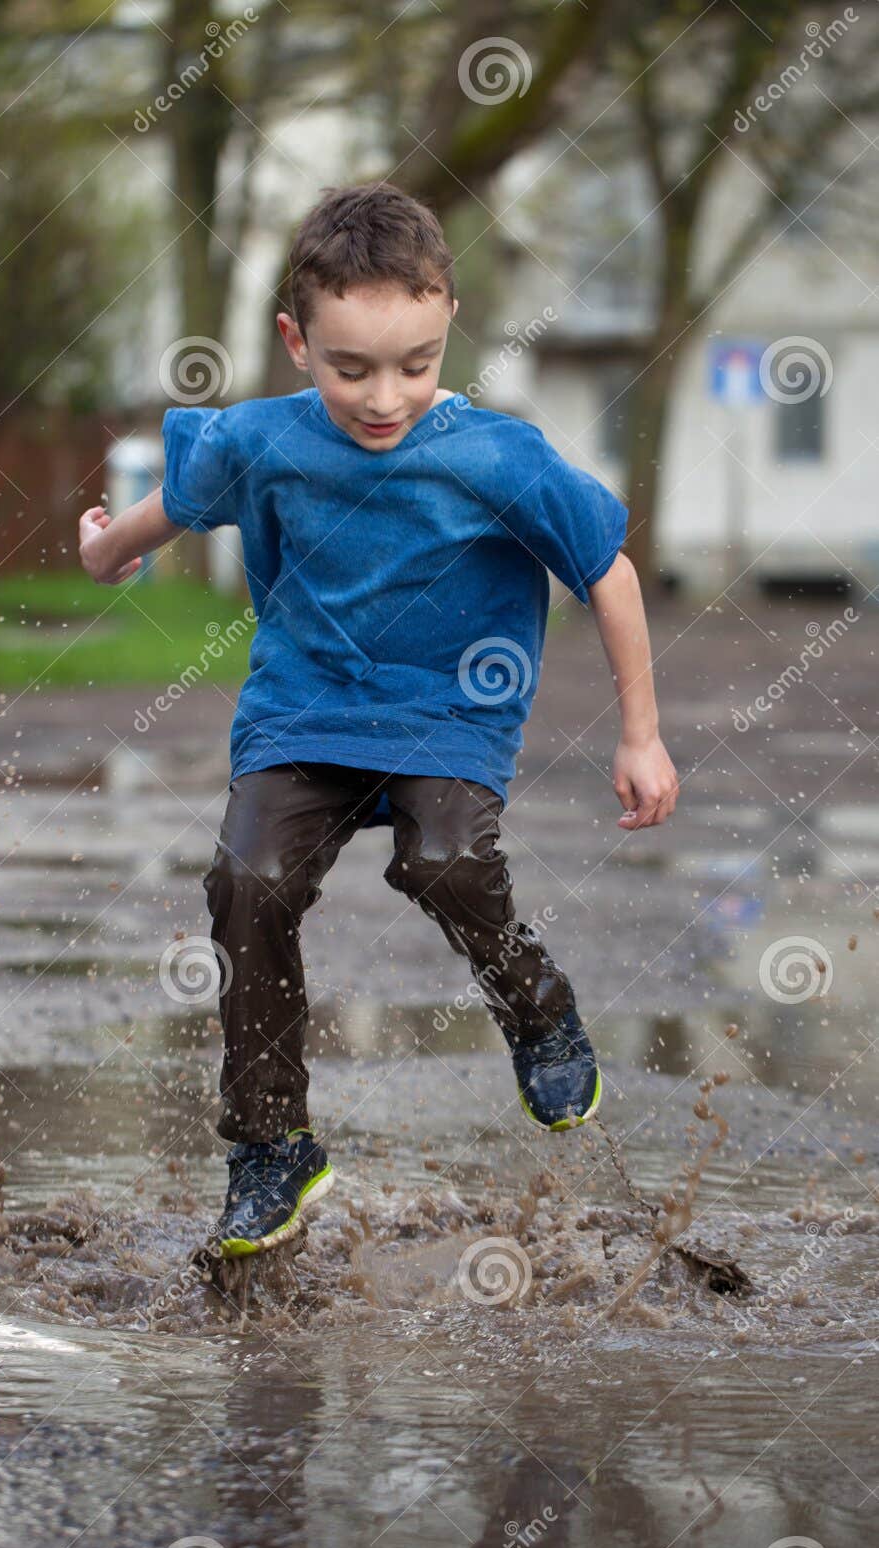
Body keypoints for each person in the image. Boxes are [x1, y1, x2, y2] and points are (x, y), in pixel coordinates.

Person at [77, 181, 679, 1261]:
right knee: (245, 882)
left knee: (446, 858)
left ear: (447, 319)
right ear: (294, 340)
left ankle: (537, 1011)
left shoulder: (497, 456)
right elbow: (161, 517)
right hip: (302, 711)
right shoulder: (259, 442)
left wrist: (639, 733)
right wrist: (100, 552)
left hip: (447, 713)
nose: (383, 397)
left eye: (414, 363)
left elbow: (610, 573)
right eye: (349, 367)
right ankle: (270, 1144)